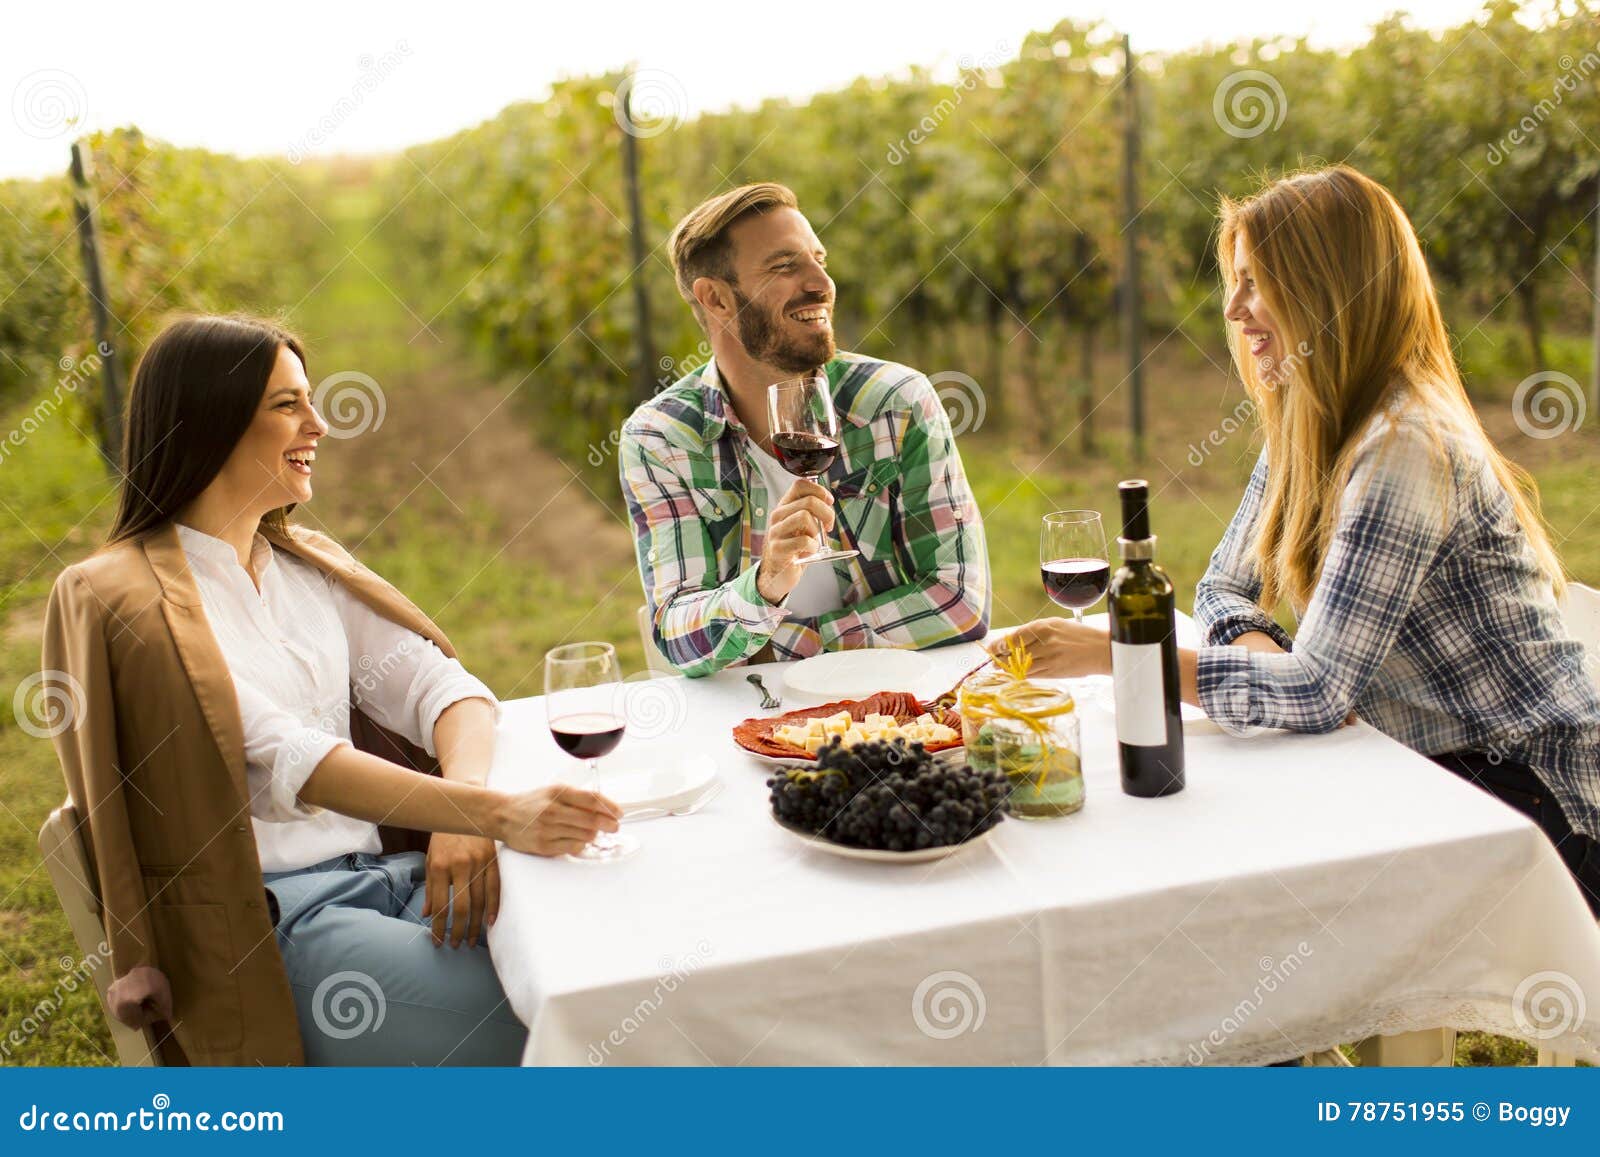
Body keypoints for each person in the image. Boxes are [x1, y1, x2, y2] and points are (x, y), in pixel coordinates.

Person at [996, 166, 1600, 914]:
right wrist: (1271, 658)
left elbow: (1316, 694)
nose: (1232, 307)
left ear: (1326, 284)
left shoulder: (1405, 444)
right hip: (1417, 761)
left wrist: (1122, 656)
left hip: (1536, 801)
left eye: (1255, 281)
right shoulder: (1310, 418)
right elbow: (1224, 586)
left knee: (1254, 871)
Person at [42, 314, 623, 1065]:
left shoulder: (302, 564)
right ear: (210, 419)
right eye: (287, 405)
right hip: (285, 926)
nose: (318, 423)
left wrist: (464, 812)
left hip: (398, 876)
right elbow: (295, 758)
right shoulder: (131, 601)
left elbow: (449, 689)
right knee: (552, 1017)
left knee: (595, 956)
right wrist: (495, 811)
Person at [619, 182, 990, 677]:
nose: (821, 284)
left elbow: (960, 600)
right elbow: (679, 635)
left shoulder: (897, 401)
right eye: (784, 266)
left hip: (895, 703)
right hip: (750, 716)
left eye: (820, 260)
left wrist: (792, 647)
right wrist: (767, 582)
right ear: (716, 299)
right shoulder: (661, 438)